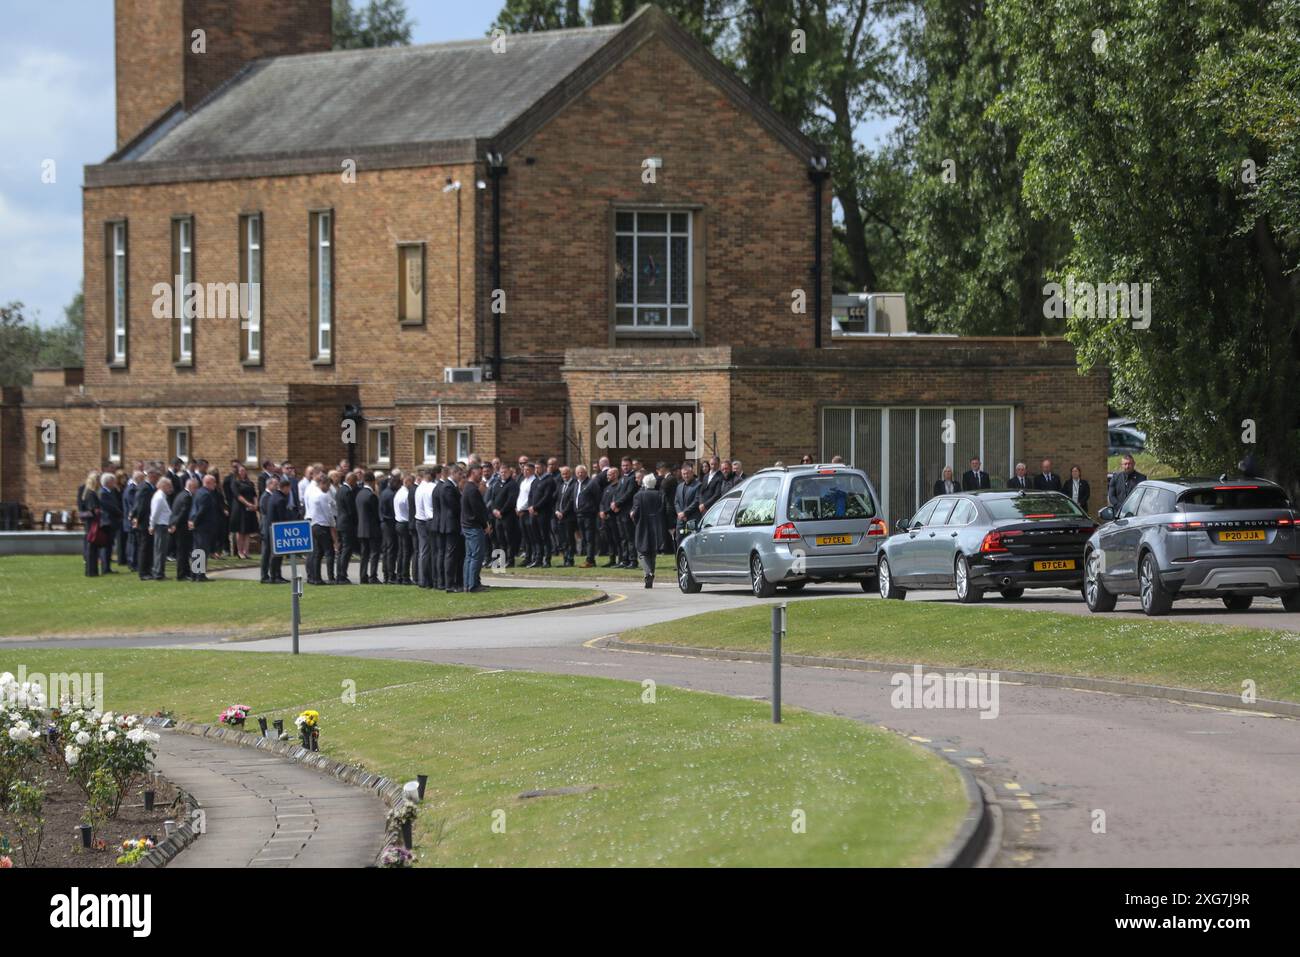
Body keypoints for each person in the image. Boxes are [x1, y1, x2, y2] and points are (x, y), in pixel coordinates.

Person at [631, 473, 665, 588]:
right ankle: (650, 577)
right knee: (652, 553)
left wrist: (634, 518)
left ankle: (648, 573)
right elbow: (662, 509)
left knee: (641, 552)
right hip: (656, 526)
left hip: (643, 526)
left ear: (645, 483)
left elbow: (635, 513)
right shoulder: (659, 494)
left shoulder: (639, 495)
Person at [460, 464, 489, 592]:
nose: (481, 475)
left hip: (468, 526)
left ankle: (468, 583)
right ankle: (472, 585)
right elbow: (477, 511)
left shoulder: (468, 487)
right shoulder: (472, 489)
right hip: (473, 527)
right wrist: (485, 525)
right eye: (479, 472)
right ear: (472, 472)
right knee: (476, 556)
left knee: (470, 556)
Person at [305, 473, 336, 585]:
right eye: (328, 485)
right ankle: (331, 577)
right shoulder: (322, 496)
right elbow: (328, 513)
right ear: (323, 483)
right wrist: (333, 526)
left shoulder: (312, 493)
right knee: (329, 552)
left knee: (317, 553)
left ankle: (315, 577)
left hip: (314, 524)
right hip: (322, 525)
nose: (328, 488)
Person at [188, 474, 221, 582]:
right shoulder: (206, 494)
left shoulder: (198, 492)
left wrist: (192, 521)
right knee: (202, 551)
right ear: (208, 482)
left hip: (198, 526)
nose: (215, 484)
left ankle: (195, 574)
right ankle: (200, 575)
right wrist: (195, 522)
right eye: (213, 482)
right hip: (203, 526)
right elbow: (201, 511)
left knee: (197, 550)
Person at [437, 465, 463, 591]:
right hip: (451, 525)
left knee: (453, 554)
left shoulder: (451, 486)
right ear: (453, 473)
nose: (461, 477)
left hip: (451, 524)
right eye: (460, 474)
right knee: (451, 555)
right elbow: (454, 506)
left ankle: (454, 582)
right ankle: (449, 584)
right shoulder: (448, 487)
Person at [258, 477, 289, 584]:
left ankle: (275, 574)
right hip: (267, 528)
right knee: (267, 553)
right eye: (275, 485)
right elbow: (266, 514)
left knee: (274, 553)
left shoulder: (273, 496)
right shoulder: (266, 497)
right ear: (269, 484)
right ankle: (265, 575)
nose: (277, 487)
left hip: (271, 527)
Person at [131, 468, 158, 581]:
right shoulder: (144, 488)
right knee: (144, 548)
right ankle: (143, 572)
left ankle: (148, 569)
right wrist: (137, 518)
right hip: (144, 522)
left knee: (149, 547)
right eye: (156, 476)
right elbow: (141, 505)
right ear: (151, 475)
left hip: (148, 521)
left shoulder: (150, 487)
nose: (157, 478)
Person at [612, 457, 637, 568]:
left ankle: (633, 560)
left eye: (627, 465)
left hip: (627, 511)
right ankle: (624, 560)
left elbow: (629, 494)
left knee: (630, 537)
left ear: (631, 465)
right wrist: (613, 503)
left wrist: (617, 504)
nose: (625, 467)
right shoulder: (622, 478)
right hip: (619, 512)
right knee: (623, 538)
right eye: (623, 465)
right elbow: (617, 493)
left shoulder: (632, 478)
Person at [356, 471, 381, 584]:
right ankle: (373, 576)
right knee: (374, 553)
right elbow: (376, 514)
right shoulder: (371, 496)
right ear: (373, 481)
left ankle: (363, 576)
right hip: (372, 529)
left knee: (364, 554)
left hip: (361, 529)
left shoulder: (359, 494)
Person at [574, 464, 601, 568]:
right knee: (584, 537)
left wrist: (596, 510)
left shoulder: (591, 483)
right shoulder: (577, 484)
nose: (580, 474)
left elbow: (597, 497)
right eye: (578, 472)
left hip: (589, 514)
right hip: (579, 514)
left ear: (586, 473)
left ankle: (590, 560)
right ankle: (589, 558)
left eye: (582, 472)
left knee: (590, 537)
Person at [170, 476, 196, 581]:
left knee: (183, 551)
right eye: (195, 487)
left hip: (178, 527)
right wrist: (175, 524)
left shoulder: (180, 495)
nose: (196, 490)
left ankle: (186, 571)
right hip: (182, 528)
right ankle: (182, 574)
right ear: (190, 486)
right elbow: (183, 513)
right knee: (183, 552)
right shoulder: (187, 497)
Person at [147, 477, 174, 580]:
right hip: (160, 526)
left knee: (162, 551)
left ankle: (160, 572)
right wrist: (152, 525)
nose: (170, 488)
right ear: (163, 485)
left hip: (163, 525)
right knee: (159, 550)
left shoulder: (162, 496)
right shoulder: (159, 497)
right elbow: (155, 513)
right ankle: (158, 573)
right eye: (168, 486)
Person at [78, 471, 103, 577]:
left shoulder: (86, 492)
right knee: (92, 546)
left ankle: (90, 570)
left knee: (91, 546)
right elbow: (94, 509)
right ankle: (92, 571)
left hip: (89, 523)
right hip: (93, 523)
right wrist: (100, 511)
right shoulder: (92, 493)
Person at [96, 472, 122, 574]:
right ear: (108, 482)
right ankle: (105, 568)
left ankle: (107, 567)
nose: (114, 483)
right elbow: (110, 507)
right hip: (107, 522)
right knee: (106, 546)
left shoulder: (109, 492)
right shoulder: (103, 493)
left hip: (112, 521)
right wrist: (120, 513)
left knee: (109, 545)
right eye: (112, 481)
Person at [553, 465, 578, 566]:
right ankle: (565, 558)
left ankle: (570, 559)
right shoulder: (561, 485)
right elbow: (557, 500)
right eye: (563, 474)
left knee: (569, 539)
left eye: (566, 473)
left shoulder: (574, 484)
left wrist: (563, 512)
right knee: (562, 539)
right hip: (559, 516)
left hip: (569, 516)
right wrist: (556, 511)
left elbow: (571, 501)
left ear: (570, 473)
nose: (564, 476)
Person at [232, 465, 258, 559]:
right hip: (240, 509)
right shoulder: (235, 483)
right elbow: (238, 496)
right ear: (238, 472)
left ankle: (246, 551)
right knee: (240, 531)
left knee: (248, 531)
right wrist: (247, 504)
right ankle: (240, 551)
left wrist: (255, 505)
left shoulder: (250, 483)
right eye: (241, 470)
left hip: (250, 510)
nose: (243, 472)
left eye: (244, 470)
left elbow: (254, 495)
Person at [598, 467, 620, 567]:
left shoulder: (618, 487)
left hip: (613, 517)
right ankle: (611, 559)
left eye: (609, 475)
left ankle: (620, 559)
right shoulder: (607, 488)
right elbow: (602, 502)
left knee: (617, 539)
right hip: (605, 518)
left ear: (615, 474)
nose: (607, 476)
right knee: (609, 539)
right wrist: (602, 511)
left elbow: (614, 504)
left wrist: (606, 512)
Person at [379, 473, 399, 584]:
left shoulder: (384, 493)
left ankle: (387, 573)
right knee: (391, 549)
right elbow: (392, 511)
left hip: (385, 523)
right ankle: (390, 574)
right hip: (389, 523)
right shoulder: (391, 494)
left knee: (387, 549)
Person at [674, 463, 700, 541]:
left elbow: (696, 501)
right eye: (684, 474)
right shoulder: (679, 486)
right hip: (681, 520)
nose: (686, 476)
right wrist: (679, 513)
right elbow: (676, 502)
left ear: (692, 473)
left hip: (692, 519)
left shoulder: (698, 485)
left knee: (691, 540)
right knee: (679, 539)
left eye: (687, 473)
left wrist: (685, 513)